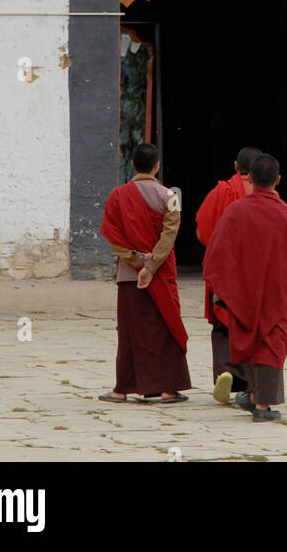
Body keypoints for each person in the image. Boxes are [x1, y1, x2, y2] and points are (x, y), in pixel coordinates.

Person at [203, 153, 287, 422]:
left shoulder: (236, 212)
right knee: (270, 342)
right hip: (275, 293)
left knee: (249, 340)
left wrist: (228, 289)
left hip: (243, 294)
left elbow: (215, 256)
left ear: (249, 178)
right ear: (278, 180)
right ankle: (263, 404)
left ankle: (252, 394)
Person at [98, 142, 191, 404]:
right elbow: (169, 235)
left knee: (129, 331)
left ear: (131, 165)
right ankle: (167, 389)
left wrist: (137, 261)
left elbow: (113, 235)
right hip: (160, 273)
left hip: (129, 275)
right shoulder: (171, 196)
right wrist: (151, 266)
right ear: (157, 165)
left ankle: (121, 390)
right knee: (163, 327)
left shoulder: (118, 195)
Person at [195, 145, 261, 409]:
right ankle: (249, 381)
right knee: (252, 325)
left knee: (223, 326)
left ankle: (226, 373)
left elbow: (201, 232)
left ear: (236, 166)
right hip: (255, 273)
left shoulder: (221, 192)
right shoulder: (265, 194)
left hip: (224, 271)